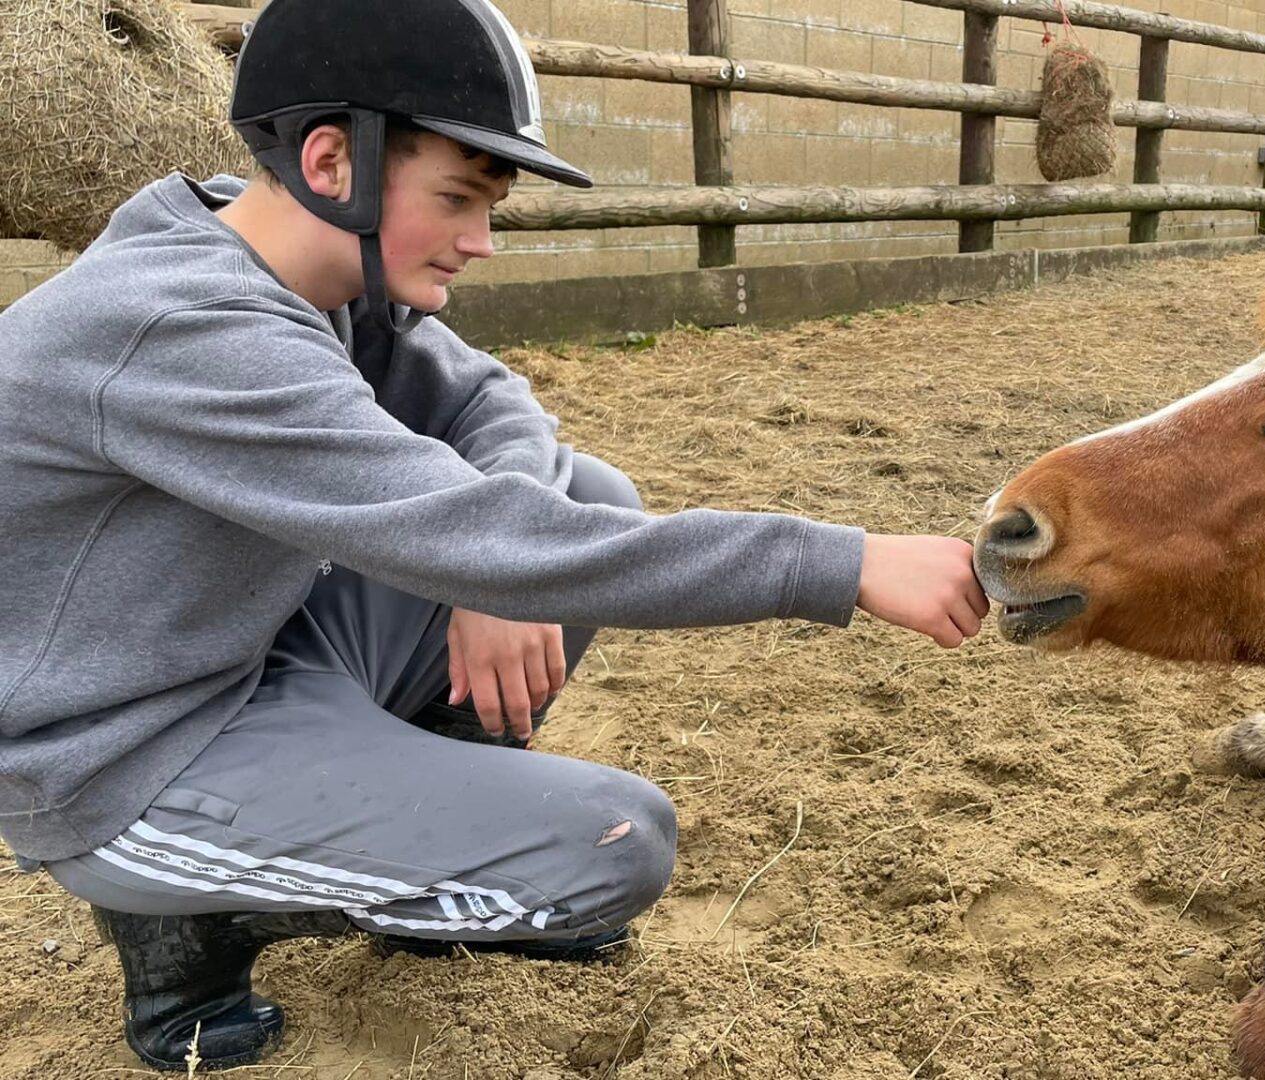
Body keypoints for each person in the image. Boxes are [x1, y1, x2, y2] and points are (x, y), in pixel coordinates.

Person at [0, 0, 986, 1070]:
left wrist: (488, 576)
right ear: (332, 161)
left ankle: (402, 855)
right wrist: (838, 562)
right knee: (610, 850)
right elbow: (486, 527)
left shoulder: (304, 269)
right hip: (120, 757)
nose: (480, 242)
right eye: (459, 198)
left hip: (241, 658)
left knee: (586, 493)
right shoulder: (186, 326)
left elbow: (492, 404)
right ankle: (188, 923)